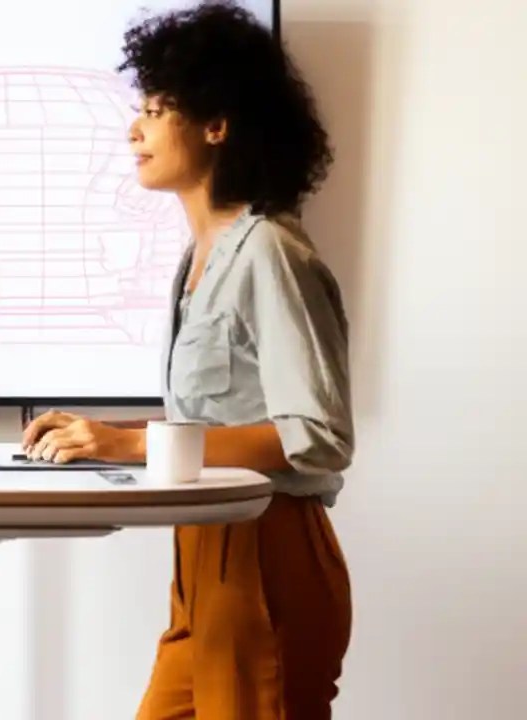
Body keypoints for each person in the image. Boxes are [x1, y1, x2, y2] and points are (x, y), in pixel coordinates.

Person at [22, 3, 353, 718]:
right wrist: (101, 434)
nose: (134, 130)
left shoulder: (269, 252)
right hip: (202, 559)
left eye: (155, 109)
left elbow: (318, 436)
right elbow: (215, 419)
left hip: (267, 551)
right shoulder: (196, 260)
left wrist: (132, 444)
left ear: (216, 125)